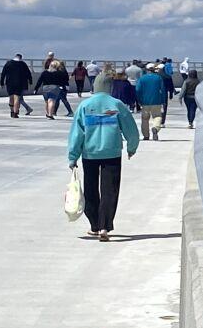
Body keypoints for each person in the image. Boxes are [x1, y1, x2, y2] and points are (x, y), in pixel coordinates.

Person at [67, 73, 140, 241]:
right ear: (109, 86)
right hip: (112, 153)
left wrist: (73, 156)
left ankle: (94, 224)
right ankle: (104, 227)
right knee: (110, 190)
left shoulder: (85, 105)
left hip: (89, 154)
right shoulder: (117, 104)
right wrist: (132, 147)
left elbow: (77, 134)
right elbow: (130, 128)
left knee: (91, 189)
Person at [135, 64, 167, 140]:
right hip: (156, 101)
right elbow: (162, 90)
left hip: (145, 102)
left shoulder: (142, 78)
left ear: (146, 70)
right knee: (157, 116)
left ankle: (146, 135)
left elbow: (138, 90)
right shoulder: (158, 78)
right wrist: (163, 100)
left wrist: (139, 100)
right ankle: (155, 128)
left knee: (145, 119)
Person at [1, 53, 33, 118]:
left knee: (11, 97)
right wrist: (30, 81)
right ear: (20, 58)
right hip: (19, 83)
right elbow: (28, 73)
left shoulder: (8, 63)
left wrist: (1, 83)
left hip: (9, 83)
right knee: (17, 98)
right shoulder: (23, 64)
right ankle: (15, 113)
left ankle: (12, 111)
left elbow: (3, 73)